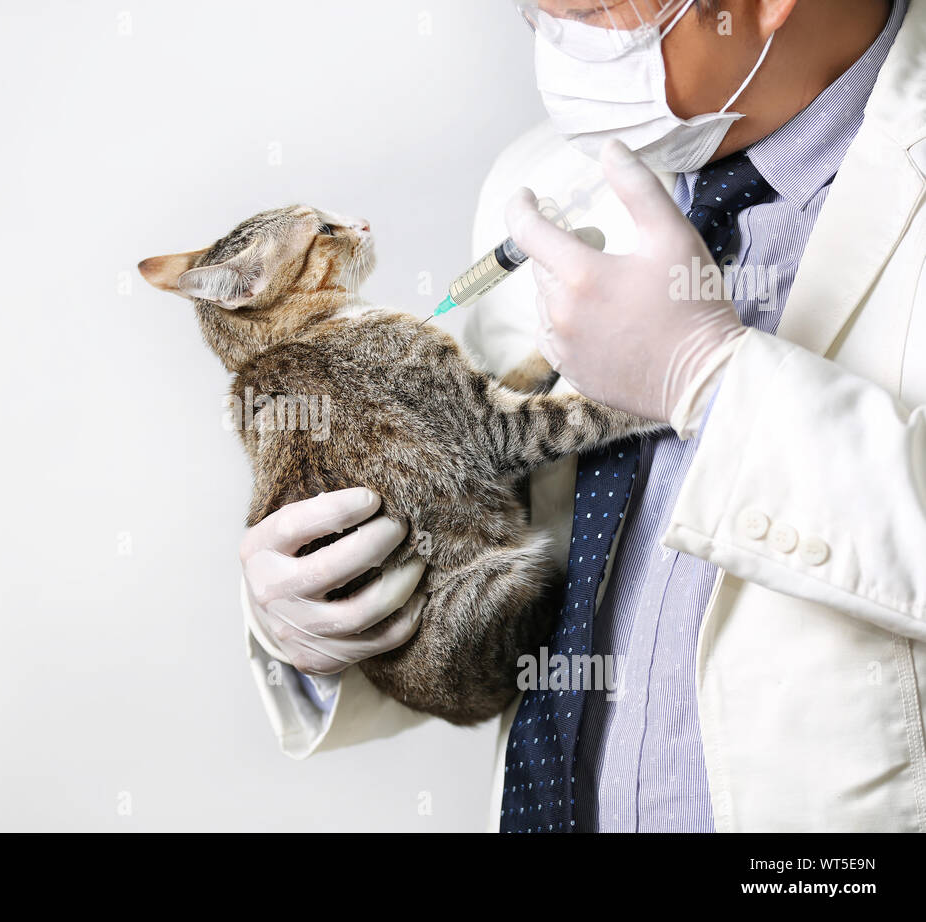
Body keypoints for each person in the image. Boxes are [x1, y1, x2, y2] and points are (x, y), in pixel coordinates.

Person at [238, 0, 926, 832]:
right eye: (530, 10)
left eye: (586, 10)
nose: (549, 42)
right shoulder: (538, 180)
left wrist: (712, 380)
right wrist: (323, 627)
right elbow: (480, 539)